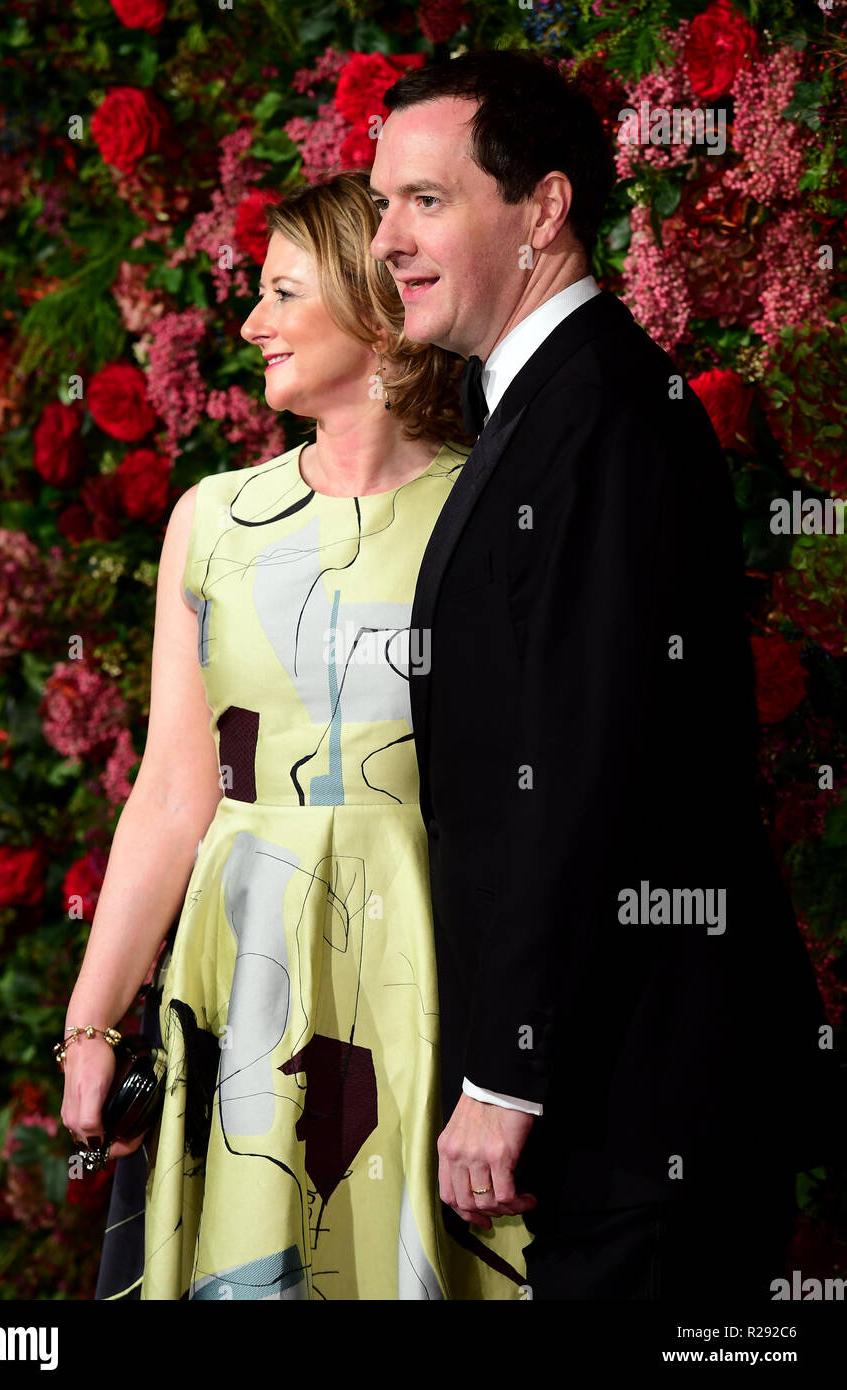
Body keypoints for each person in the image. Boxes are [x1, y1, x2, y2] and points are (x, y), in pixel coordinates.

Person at [368, 49, 844, 1300]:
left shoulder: (605, 414)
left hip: (647, 1087)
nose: (389, 241)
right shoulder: (549, 405)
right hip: (624, 1085)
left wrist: (506, 1072)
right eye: (381, 205)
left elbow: (587, 766)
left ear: (542, 209)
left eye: (427, 200)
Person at [60, 170, 530, 1300]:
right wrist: (90, 1026)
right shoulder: (212, 520)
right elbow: (173, 793)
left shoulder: (491, 513)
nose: (249, 324)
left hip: (429, 975)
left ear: (378, 311)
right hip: (241, 982)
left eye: (282, 293)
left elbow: (536, 800)